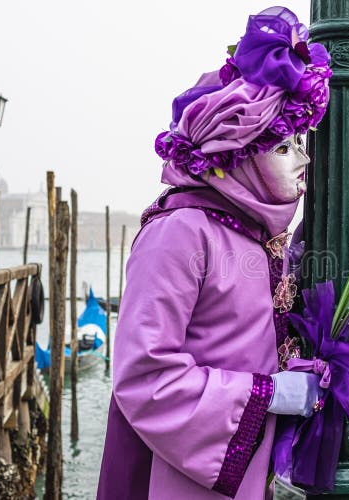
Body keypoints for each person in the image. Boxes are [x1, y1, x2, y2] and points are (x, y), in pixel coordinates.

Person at [96, 7, 332, 499]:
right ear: (238, 153)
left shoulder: (255, 234)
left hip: (249, 465)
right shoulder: (180, 232)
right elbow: (144, 376)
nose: (305, 159)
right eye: (285, 146)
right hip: (184, 476)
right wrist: (268, 395)